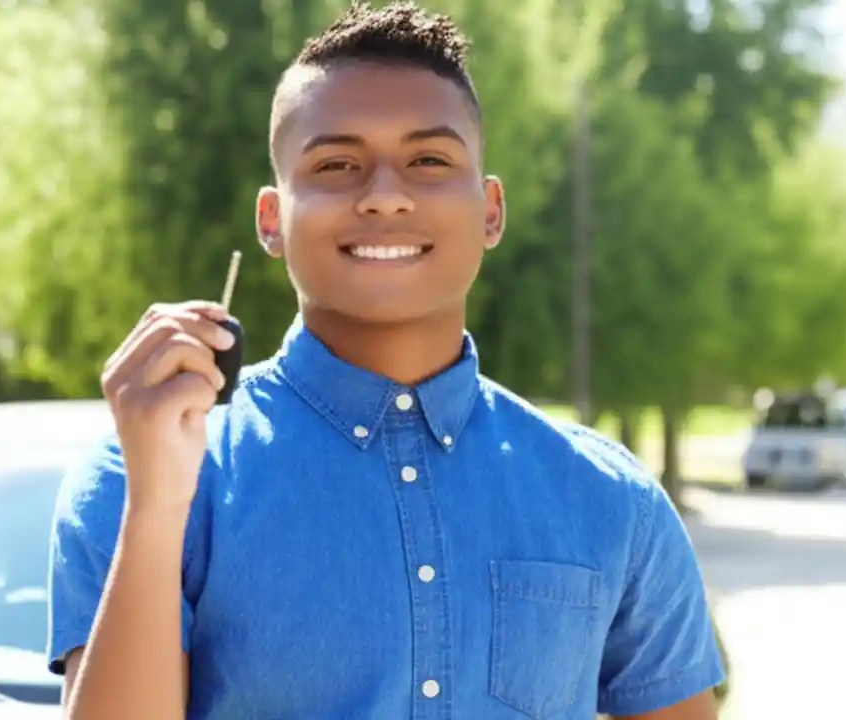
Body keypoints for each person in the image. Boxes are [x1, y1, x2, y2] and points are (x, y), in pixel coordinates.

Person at [46, 3, 727, 718]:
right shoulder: (139, 477)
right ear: (272, 220)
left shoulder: (610, 498)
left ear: (490, 210)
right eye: (337, 164)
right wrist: (156, 512)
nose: (385, 197)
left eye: (428, 160)